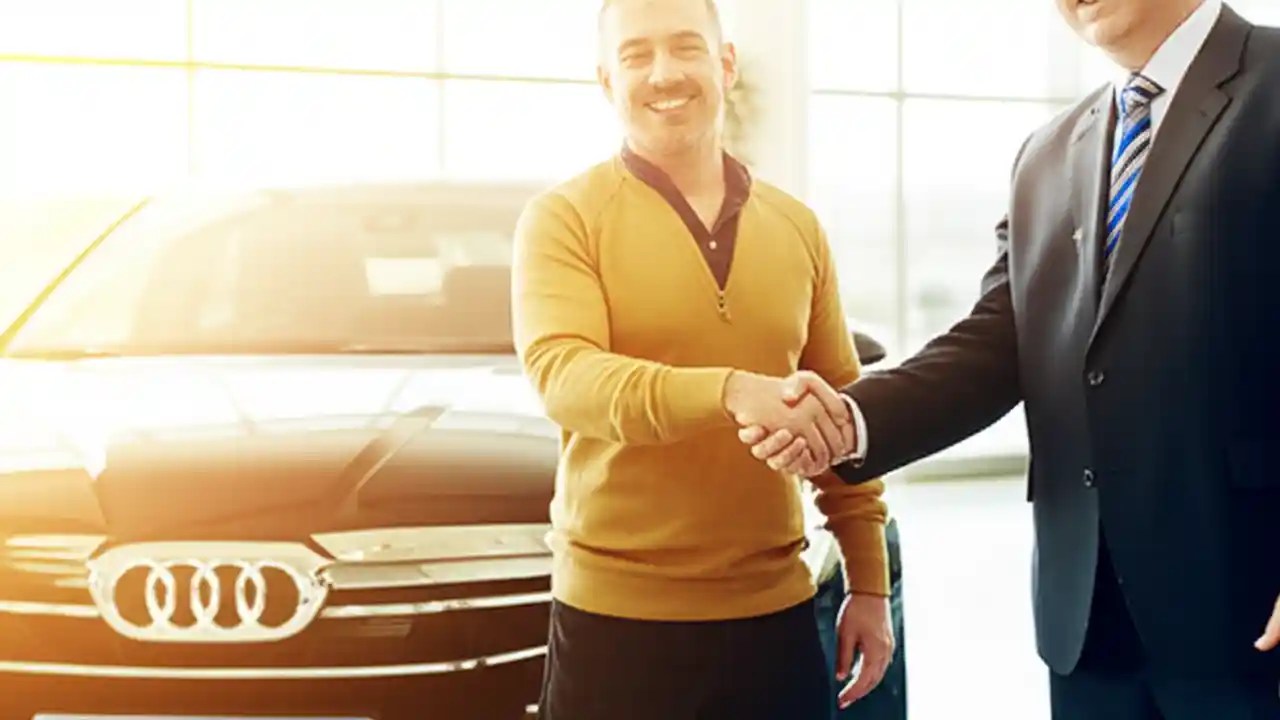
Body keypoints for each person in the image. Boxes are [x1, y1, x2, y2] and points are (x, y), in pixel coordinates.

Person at [742, 1, 1280, 717]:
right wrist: (847, 419)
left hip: (1247, 609)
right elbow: (997, 345)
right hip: (1087, 622)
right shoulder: (1049, 153)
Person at [511, 0, 894, 716]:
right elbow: (566, 376)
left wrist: (868, 581)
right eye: (635, 55)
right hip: (615, 628)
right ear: (605, 79)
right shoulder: (564, 218)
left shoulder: (797, 228)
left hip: (774, 620)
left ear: (725, 64)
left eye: (686, 47)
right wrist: (728, 391)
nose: (663, 73)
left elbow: (841, 406)